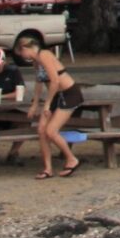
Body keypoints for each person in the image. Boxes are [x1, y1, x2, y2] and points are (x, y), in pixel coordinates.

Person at [16, 37, 82, 179]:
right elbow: (39, 82)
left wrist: (47, 104)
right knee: (41, 130)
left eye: (21, 53)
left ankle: (71, 159)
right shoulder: (36, 62)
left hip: (68, 93)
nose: (22, 57)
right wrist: (35, 104)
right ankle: (47, 168)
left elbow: (55, 81)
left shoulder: (44, 55)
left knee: (51, 131)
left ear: (25, 49)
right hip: (56, 96)